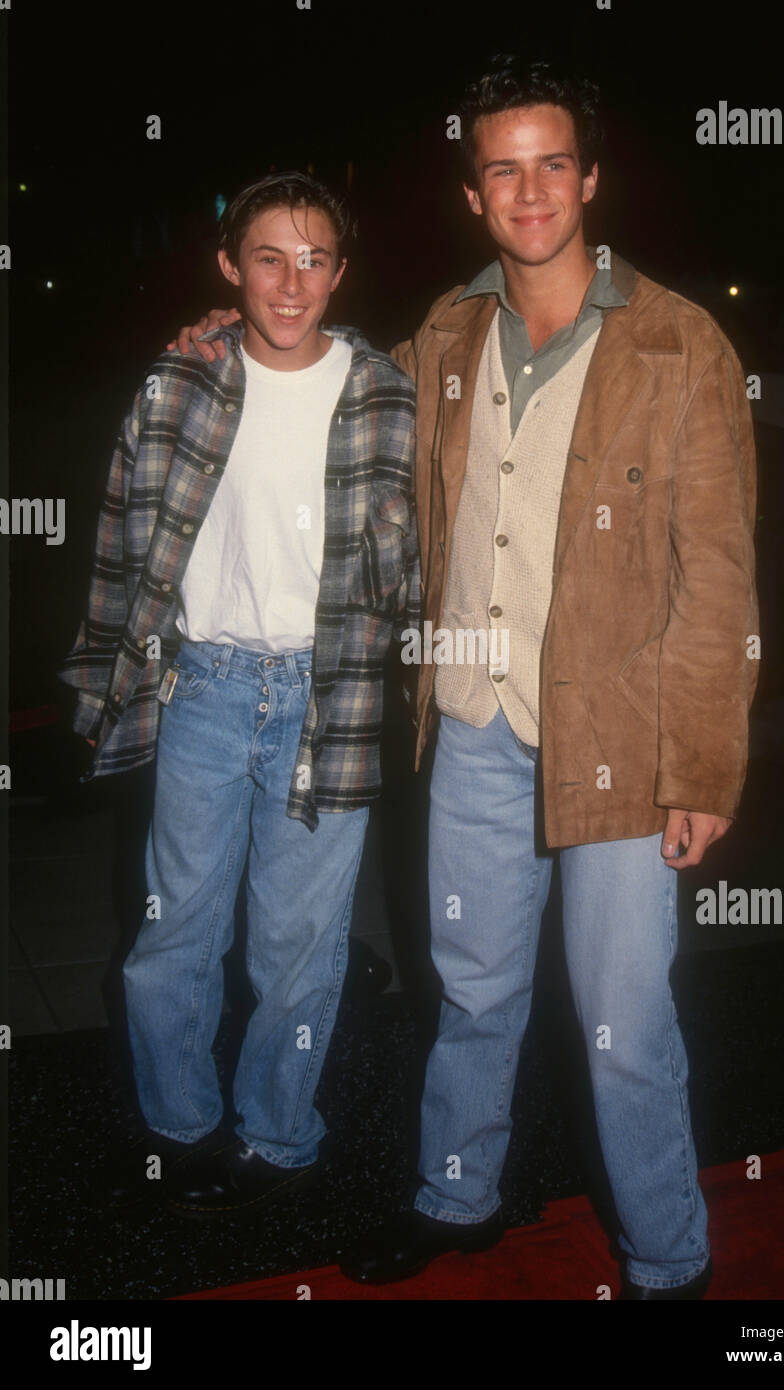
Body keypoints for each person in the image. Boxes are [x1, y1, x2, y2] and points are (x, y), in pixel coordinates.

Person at [174, 55, 759, 1296]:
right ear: (473, 191)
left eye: (553, 164)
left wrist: (702, 763)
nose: (530, 190)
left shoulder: (679, 343)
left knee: (625, 1030)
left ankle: (666, 1262)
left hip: (620, 739)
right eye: (504, 168)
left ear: (589, 178)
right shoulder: (443, 334)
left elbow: (716, 575)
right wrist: (227, 336)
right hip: (472, 724)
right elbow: (314, 376)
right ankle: (457, 1192)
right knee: (471, 987)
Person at [59, 171, 418, 1218]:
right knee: (175, 934)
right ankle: (177, 1126)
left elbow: (413, 562)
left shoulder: (385, 392)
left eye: (314, 258)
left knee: (297, 950)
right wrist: (106, 679)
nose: (291, 280)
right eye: (268, 256)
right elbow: (121, 542)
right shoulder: (181, 379)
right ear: (229, 267)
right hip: (203, 689)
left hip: (328, 698)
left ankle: (276, 1134)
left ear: (341, 272)